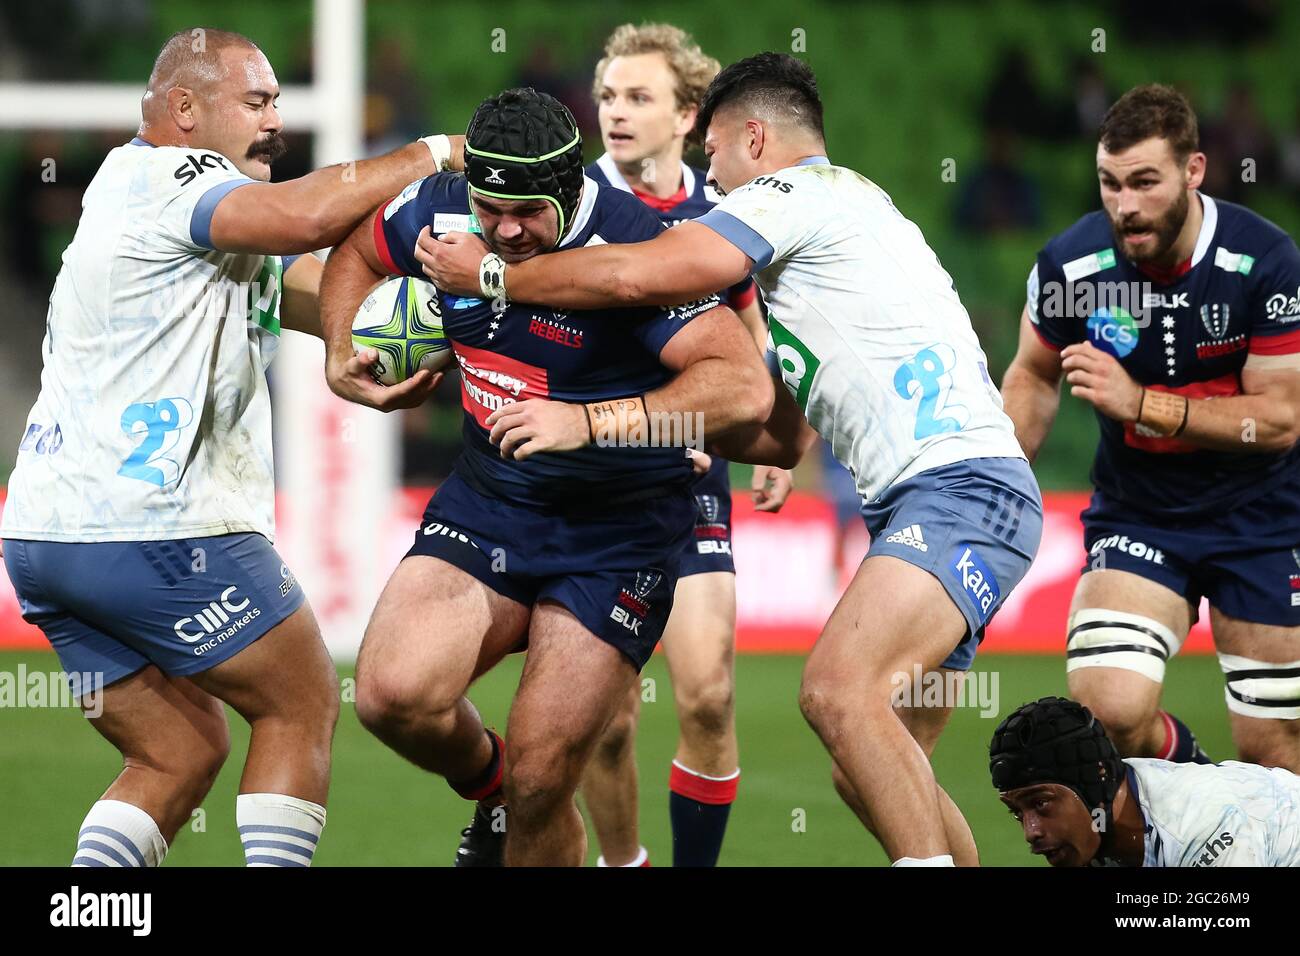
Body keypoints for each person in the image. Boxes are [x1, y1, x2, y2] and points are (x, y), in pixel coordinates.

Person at [419, 53, 1043, 866]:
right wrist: (662, 429)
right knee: (878, 769)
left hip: (959, 490)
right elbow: (781, 434)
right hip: (939, 499)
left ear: (755, 138)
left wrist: (496, 274)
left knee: (835, 691)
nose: (710, 178)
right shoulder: (850, 217)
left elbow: (642, 273)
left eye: (714, 154)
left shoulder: (799, 194)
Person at [0, 27, 456, 867]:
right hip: (157, 526)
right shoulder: (178, 178)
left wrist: (425, 327)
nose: (278, 121)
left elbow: (301, 287)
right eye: (257, 102)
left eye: (279, 101)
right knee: (301, 702)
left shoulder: (138, 195)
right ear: (184, 110)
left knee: (176, 753)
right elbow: (306, 218)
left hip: (46, 538)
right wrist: (434, 152)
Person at [319, 87, 773, 867]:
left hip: (617, 532)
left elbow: (743, 389)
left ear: (569, 190)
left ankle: (520, 799)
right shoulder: (443, 212)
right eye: (489, 208)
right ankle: (487, 790)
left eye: (525, 213)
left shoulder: (641, 245)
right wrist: (336, 350)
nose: (502, 230)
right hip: (489, 502)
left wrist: (593, 420)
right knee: (390, 697)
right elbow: (357, 250)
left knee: (544, 779)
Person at [1000, 84, 1300, 771]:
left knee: (1272, 749)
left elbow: (1281, 420)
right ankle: (1197, 784)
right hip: (1142, 514)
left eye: (1144, 182)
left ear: (1193, 171)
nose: (1124, 206)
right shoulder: (1072, 266)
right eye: (1109, 183)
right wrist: (997, 485)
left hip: (1265, 520)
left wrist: (1144, 404)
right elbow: (1033, 375)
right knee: (1108, 713)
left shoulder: (1263, 260)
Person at [580, 21, 792, 870]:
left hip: (695, 477)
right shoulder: (574, 202)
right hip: (591, 469)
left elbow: (754, 338)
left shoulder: (725, 217)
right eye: (607, 97)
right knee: (608, 716)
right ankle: (624, 862)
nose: (617, 114)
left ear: (687, 114)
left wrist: (770, 438)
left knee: (706, 693)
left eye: (638, 97)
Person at [992, 696, 1300, 867]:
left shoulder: (1204, 823)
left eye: (1041, 804)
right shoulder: (1096, 833)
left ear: (1097, 778)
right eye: (1019, 813)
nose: (1031, 832)